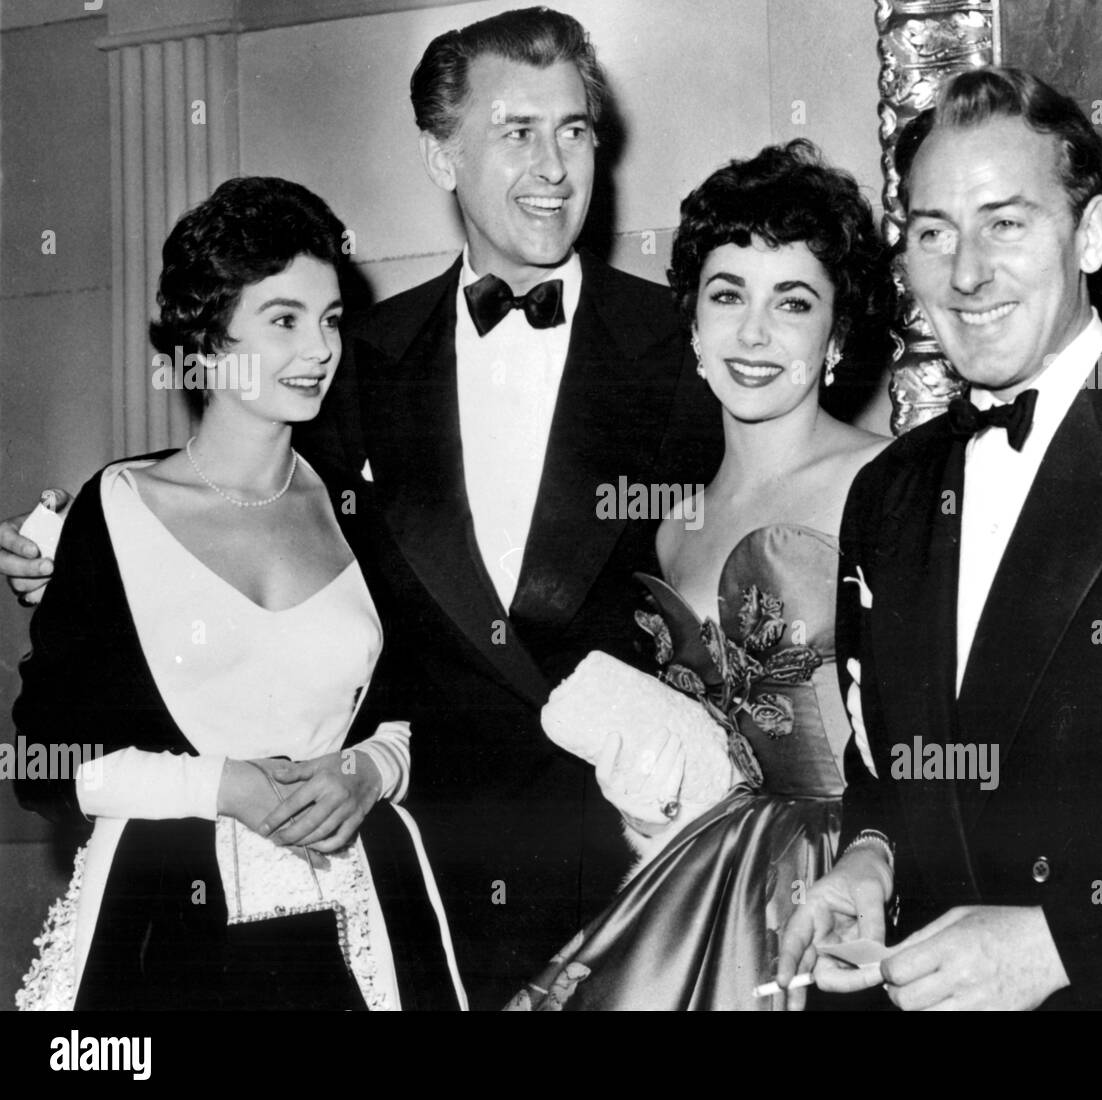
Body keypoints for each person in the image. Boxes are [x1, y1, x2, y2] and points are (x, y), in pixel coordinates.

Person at [1, 7, 720, 1008]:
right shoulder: (358, 364)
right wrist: (72, 532)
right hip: (419, 876)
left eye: (576, 129)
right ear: (439, 155)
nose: (554, 167)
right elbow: (228, 479)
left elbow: (735, 563)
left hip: (621, 864)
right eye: (516, 131)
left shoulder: (689, 353)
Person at [777, 66, 1102, 1011]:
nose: (966, 272)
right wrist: (868, 860)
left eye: (1006, 223)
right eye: (933, 232)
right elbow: (888, 770)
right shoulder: (887, 493)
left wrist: (1066, 947)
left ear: (1090, 236)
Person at [12, 176, 464, 1011]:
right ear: (207, 335)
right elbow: (45, 765)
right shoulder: (116, 508)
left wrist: (369, 769)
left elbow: (416, 710)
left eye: (329, 320)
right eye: (284, 320)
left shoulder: (361, 506)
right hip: (164, 939)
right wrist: (223, 787)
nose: (321, 349)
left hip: (363, 914)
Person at [509, 140, 892, 1010]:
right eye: (728, 296)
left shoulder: (889, 483)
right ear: (691, 326)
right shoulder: (671, 517)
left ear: (836, 336)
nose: (753, 334)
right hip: (688, 872)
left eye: (793, 303)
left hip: (844, 877)